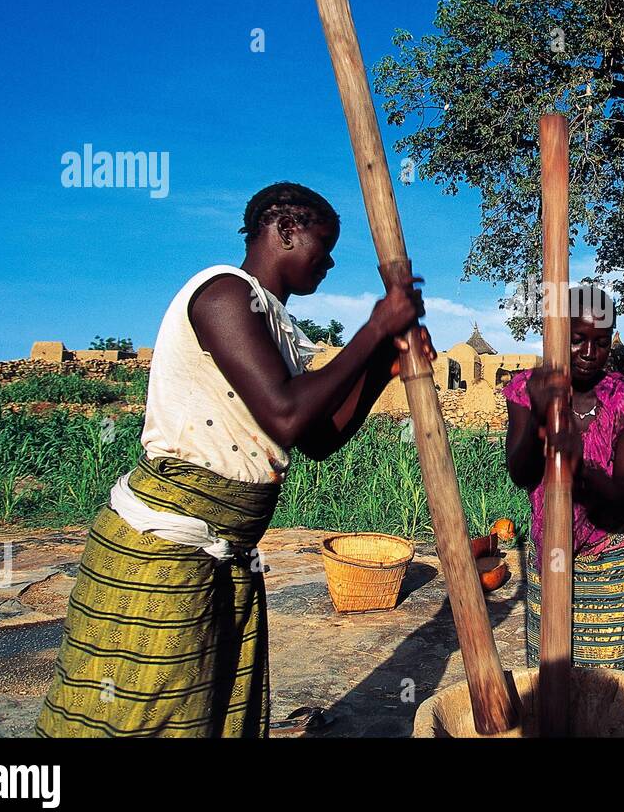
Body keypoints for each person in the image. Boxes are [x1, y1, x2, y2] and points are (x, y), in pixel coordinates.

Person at [37, 181, 433, 737]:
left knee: (203, 714)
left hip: (223, 553)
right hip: (167, 548)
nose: (331, 261)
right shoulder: (223, 294)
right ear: (285, 231)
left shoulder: (281, 328)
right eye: (325, 243)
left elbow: (314, 439)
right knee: (144, 716)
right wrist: (374, 329)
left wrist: (380, 371)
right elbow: (287, 414)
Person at [503, 285, 624, 671]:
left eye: (601, 343)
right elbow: (521, 474)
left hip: (609, 555)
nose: (589, 354)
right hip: (550, 552)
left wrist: (579, 469)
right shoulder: (528, 390)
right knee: (551, 673)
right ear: (556, 336)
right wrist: (539, 413)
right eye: (577, 340)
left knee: (606, 684)